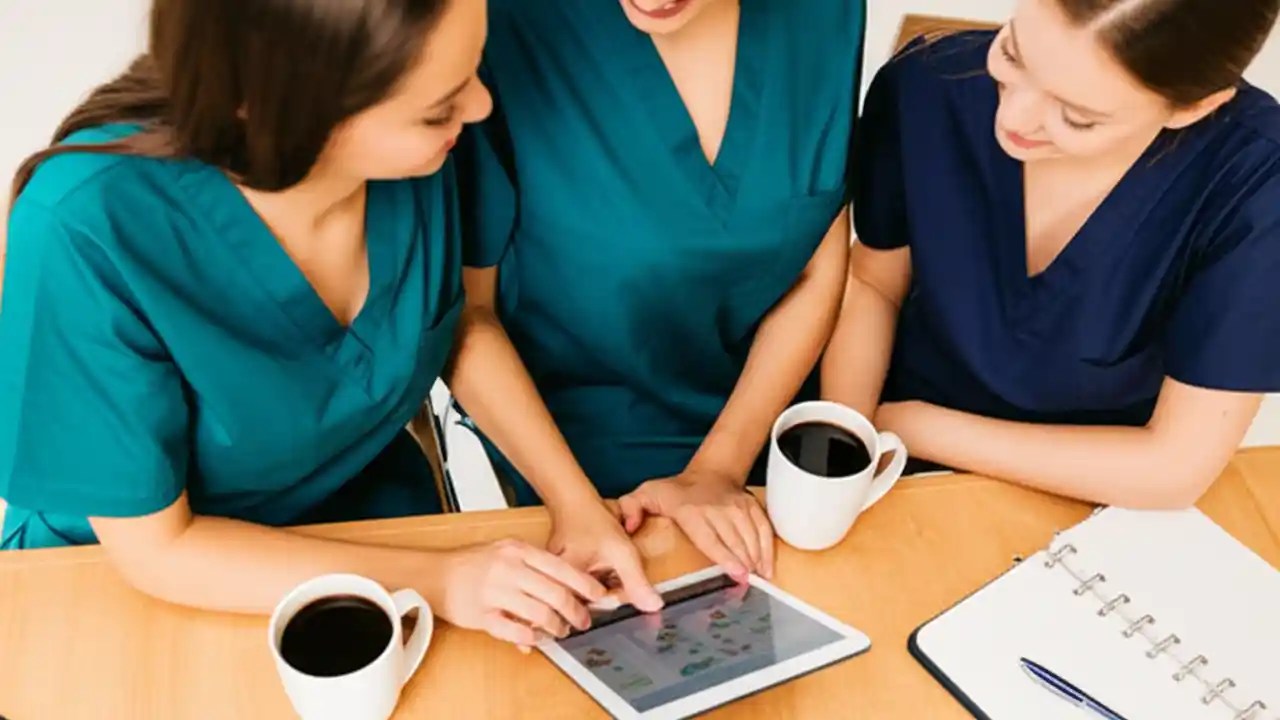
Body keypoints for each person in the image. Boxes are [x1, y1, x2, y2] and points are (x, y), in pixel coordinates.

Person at [0, 0, 613, 648]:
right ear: (299, 114)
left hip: (368, 528)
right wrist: (443, 581)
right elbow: (157, 551)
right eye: (439, 104)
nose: (483, 106)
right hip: (124, 583)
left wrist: (575, 504)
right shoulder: (87, 225)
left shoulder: (427, 149)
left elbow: (459, 325)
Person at [449, 0, 863, 592]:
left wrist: (720, 466)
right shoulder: (497, 26)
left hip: (776, 430)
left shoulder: (826, 17)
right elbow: (467, 316)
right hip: (583, 462)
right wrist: (576, 504)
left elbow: (815, 271)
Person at [823, 0, 1280, 508]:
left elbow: (1173, 468)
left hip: (1081, 495)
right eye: (1013, 55)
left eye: (1077, 118)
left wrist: (910, 425)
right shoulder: (929, 86)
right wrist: (847, 436)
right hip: (885, 451)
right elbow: (872, 282)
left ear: (1193, 107)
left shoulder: (1256, 186)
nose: (1012, 117)